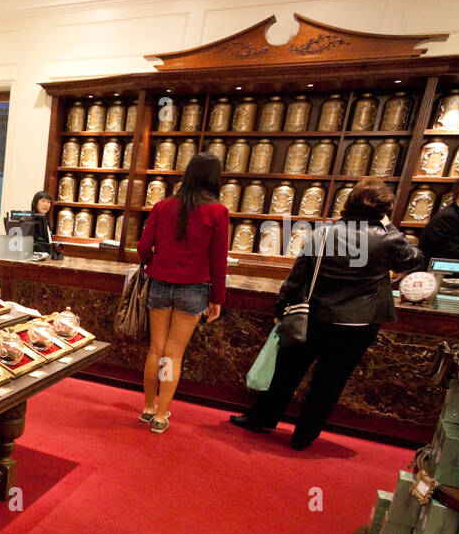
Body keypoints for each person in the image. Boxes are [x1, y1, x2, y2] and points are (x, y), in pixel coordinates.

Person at [230, 178, 425, 450]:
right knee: (330, 382)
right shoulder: (388, 239)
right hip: (359, 322)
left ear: (348, 203)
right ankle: (303, 436)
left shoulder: (323, 233)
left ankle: (261, 418)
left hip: (315, 316)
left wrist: (282, 306)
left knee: (287, 373)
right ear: (383, 209)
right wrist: (388, 224)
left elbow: (298, 275)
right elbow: (416, 258)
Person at [135, 152, 228, 434]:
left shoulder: (163, 207)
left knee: (156, 350)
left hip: (160, 283)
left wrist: (155, 262)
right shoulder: (217, 212)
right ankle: (162, 415)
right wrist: (217, 299)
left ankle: (148, 408)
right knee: (173, 355)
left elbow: (142, 248)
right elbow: (218, 260)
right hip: (193, 289)